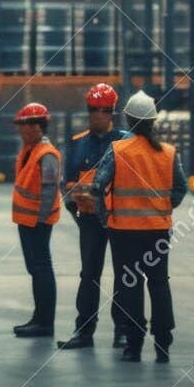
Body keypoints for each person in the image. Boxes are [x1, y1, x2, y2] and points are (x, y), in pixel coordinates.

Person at [91, 91, 187, 363]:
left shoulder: (118, 150)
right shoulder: (168, 153)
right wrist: (165, 209)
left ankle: (133, 345)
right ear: (153, 121)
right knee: (159, 283)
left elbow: (98, 186)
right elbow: (180, 188)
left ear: (128, 119)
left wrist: (105, 217)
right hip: (158, 230)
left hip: (124, 231)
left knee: (129, 285)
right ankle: (163, 344)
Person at [58, 83, 130, 351]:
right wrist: (81, 213)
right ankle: (83, 331)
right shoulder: (78, 145)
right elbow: (68, 186)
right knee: (89, 274)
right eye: (92, 110)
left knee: (124, 274)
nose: (96, 115)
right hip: (89, 220)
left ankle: (122, 330)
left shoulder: (125, 143)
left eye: (102, 110)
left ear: (112, 112)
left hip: (118, 219)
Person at [10, 102, 62, 338]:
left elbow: (50, 190)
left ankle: (45, 323)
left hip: (37, 223)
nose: (21, 130)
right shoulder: (29, 150)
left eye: (24, 125)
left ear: (36, 127)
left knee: (41, 269)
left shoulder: (47, 154)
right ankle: (39, 317)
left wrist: (40, 220)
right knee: (36, 269)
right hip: (27, 221)